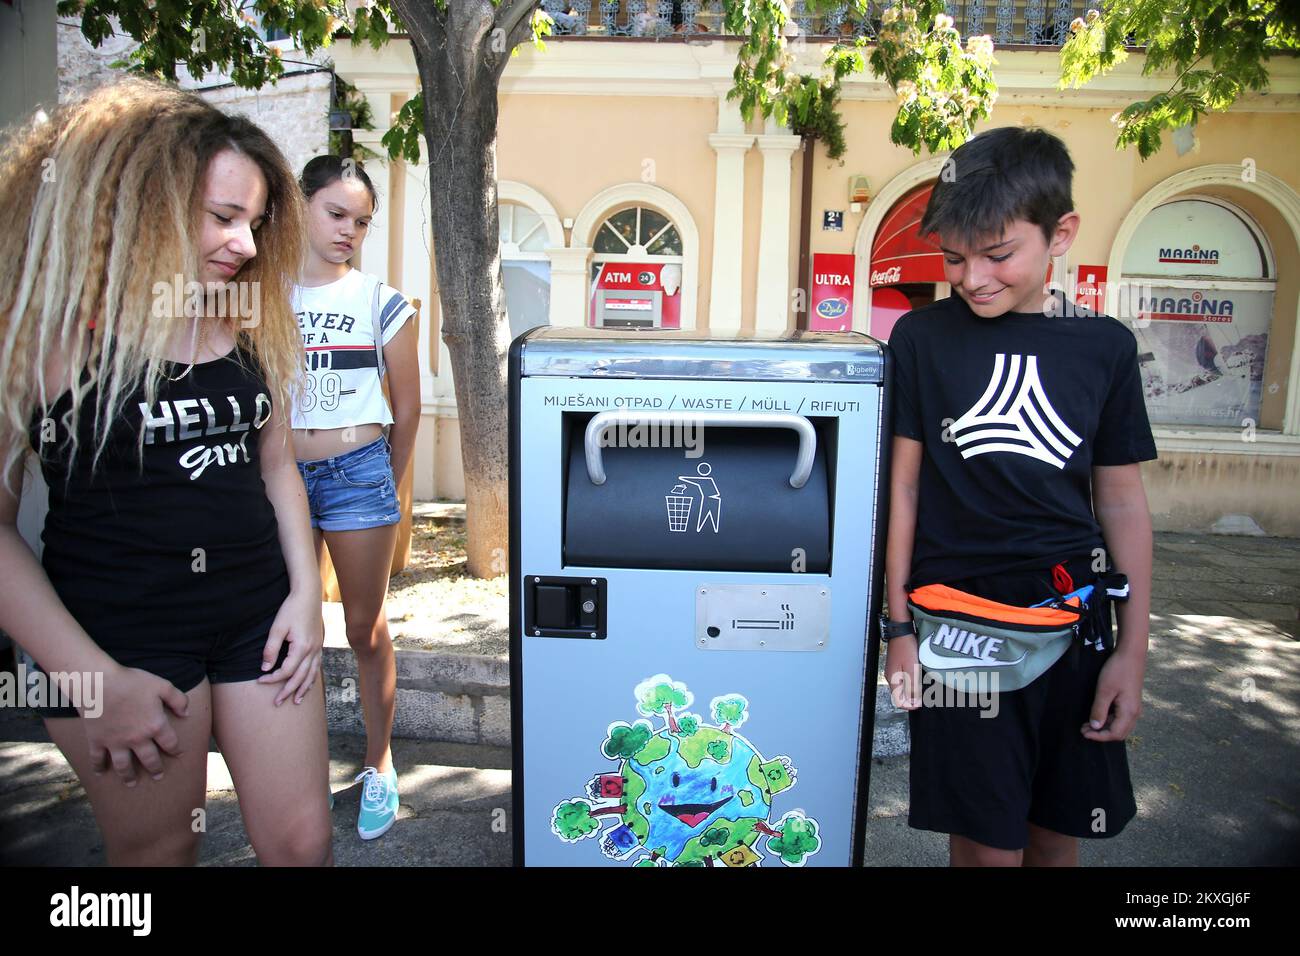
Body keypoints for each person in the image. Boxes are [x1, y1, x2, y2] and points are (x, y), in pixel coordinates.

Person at [0, 79, 332, 865]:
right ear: (139, 206)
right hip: (116, 641)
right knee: (156, 859)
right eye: (224, 218)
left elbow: (276, 465)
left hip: (261, 624)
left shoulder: (247, 317)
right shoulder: (42, 341)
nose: (247, 245)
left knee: (304, 846)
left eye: (254, 222)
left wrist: (309, 595)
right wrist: (91, 681)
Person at [883, 125, 1156, 867]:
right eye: (954, 258)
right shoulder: (920, 339)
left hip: (1073, 623)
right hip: (960, 629)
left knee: (1053, 831)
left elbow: (1125, 506)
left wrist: (1131, 654)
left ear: (1060, 233)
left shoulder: (1104, 347)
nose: (973, 278)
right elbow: (901, 488)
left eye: (998, 254)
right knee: (986, 846)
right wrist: (898, 628)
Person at [291, 155, 420, 841]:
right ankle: (297, 770)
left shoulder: (381, 301)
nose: (349, 230)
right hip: (281, 478)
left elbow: (407, 407)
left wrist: (384, 486)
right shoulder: (263, 295)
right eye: (336, 213)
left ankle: (379, 765)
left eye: (361, 221)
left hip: (356, 475)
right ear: (302, 204)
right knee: (290, 629)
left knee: (363, 628)